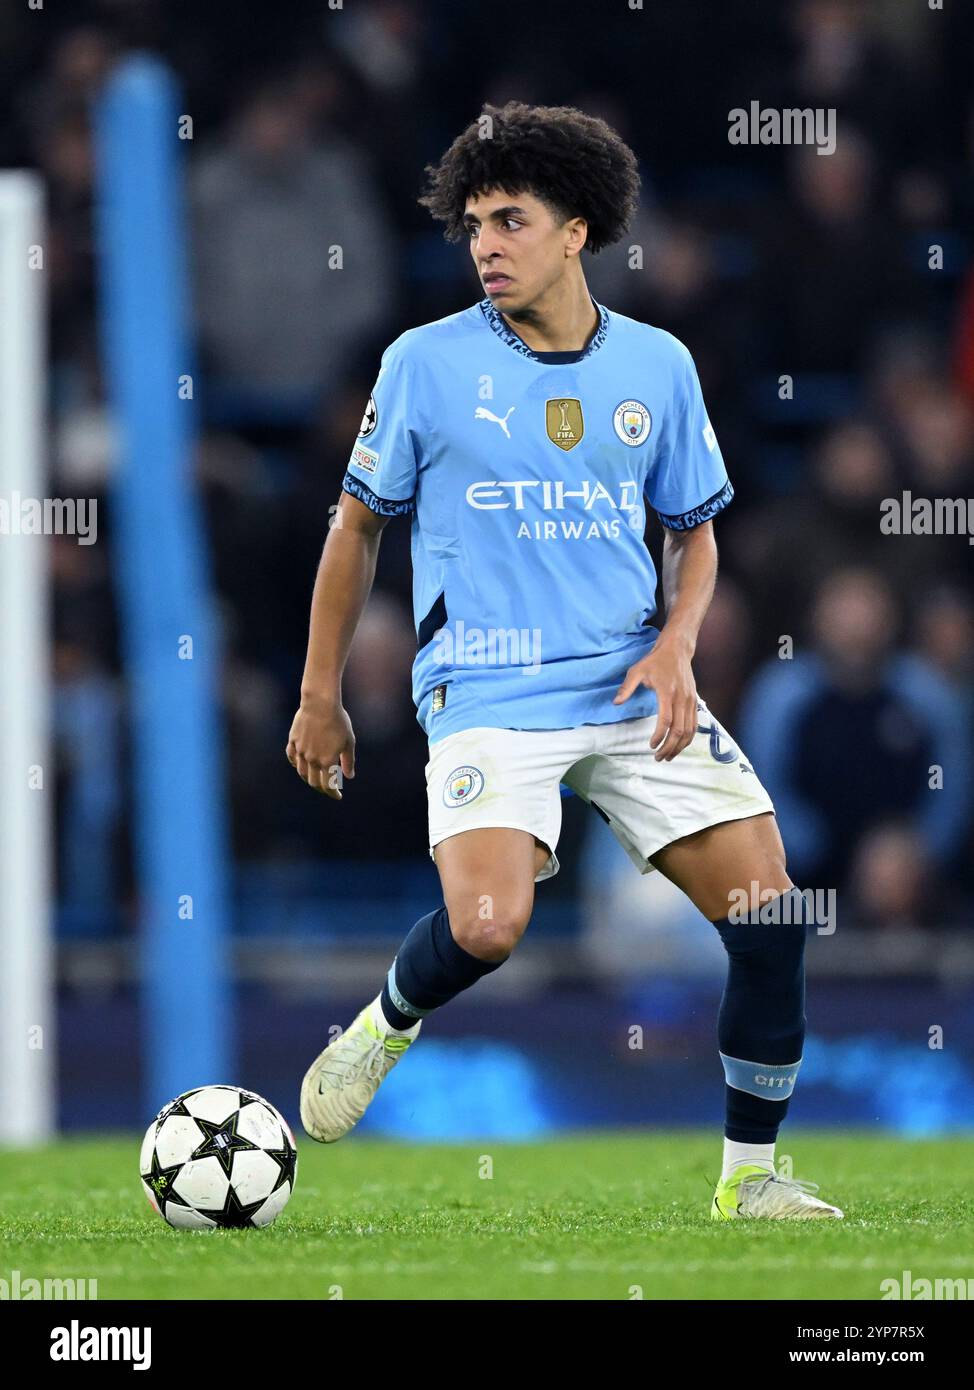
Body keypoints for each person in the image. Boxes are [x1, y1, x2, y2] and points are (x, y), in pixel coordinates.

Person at [286, 102, 842, 1220]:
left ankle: (748, 1179)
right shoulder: (423, 365)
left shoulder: (657, 364)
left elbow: (695, 532)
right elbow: (355, 526)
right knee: (488, 928)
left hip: (630, 682)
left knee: (771, 919)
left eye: (509, 220)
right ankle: (385, 1022)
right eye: (472, 225)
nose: (485, 245)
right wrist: (319, 692)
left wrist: (679, 649)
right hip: (487, 685)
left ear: (577, 230)